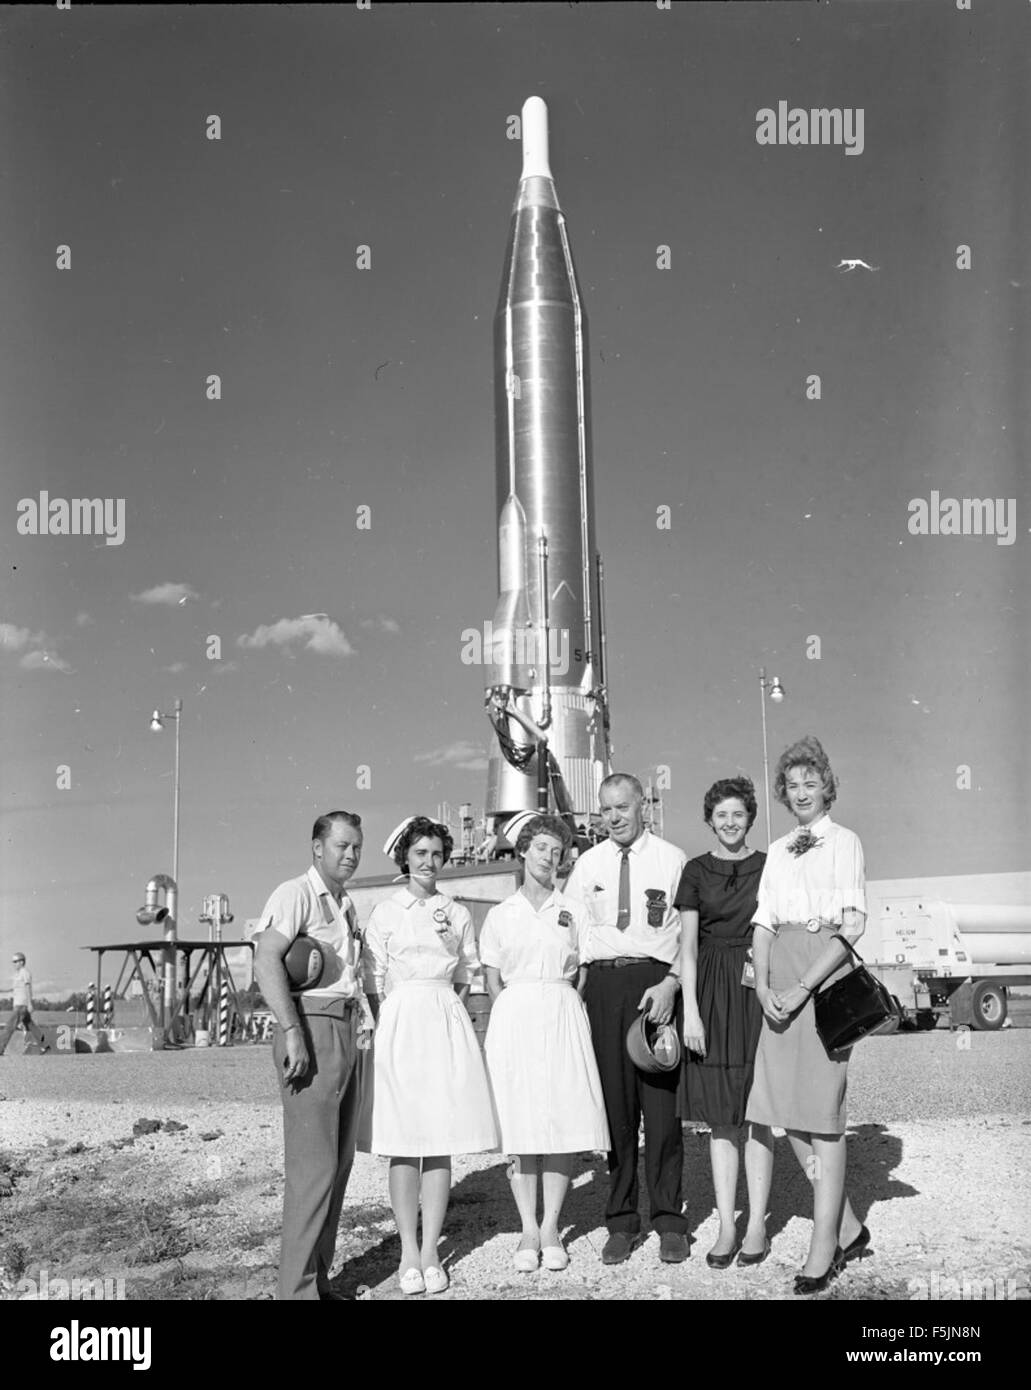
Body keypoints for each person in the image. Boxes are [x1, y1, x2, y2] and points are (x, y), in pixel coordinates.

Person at [744, 735, 871, 1293]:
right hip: (776, 976)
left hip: (822, 975)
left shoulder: (845, 842)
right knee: (780, 1105)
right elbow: (764, 921)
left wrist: (800, 986)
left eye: (809, 783)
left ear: (827, 788)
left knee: (822, 1110)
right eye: (791, 785)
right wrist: (764, 987)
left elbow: (851, 927)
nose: (800, 792)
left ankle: (827, 1245)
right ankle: (845, 1223)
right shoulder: (776, 849)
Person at [359, 815, 497, 1296]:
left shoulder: (455, 912)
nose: (429, 862)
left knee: (439, 1136)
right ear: (405, 857)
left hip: (443, 1015)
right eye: (420, 853)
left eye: (437, 854)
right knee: (404, 1138)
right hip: (399, 1020)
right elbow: (373, 976)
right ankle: (407, 1251)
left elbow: (467, 971)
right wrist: (388, 1019)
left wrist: (446, 1007)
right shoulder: (385, 911)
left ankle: (433, 1248)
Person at [563, 773, 689, 1264]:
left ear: (643, 807)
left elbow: (688, 936)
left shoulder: (671, 859)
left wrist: (672, 984)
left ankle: (669, 1221)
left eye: (623, 807)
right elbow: (570, 930)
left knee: (661, 1111)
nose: (614, 818)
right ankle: (620, 1221)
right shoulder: (588, 864)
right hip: (605, 987)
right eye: (606, 810)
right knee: (615, 1111)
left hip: (655, 984)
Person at [480, 812, 610, 1274]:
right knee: (521, 1122)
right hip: (515, 1017)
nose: (549, 859)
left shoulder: (571, 911)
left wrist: (562, 1004)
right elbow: (493, 978)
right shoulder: (500, 915)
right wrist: (518, 1009)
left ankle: (552, 1226)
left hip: (561, 1014)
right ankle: (527, 1228)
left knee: (561, 1120)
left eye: (557, 853)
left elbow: (583, 968)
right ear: (522, 852)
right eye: (541, 849)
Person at [253, 811, 374, 1301]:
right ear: (316, 848)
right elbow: (265, 960)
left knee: (339, 1164)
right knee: (312, 1168)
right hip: (310, 1026)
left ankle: (319, 1281)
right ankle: (295, 1293)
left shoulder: (345, 903)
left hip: (345, 1026)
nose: (350, 854)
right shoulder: (294, 893)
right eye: (342, 845)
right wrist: (292, 1031)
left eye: (357, 847)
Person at [677, 777, 770, 1268]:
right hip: (711, 989)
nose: (730, 822)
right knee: (720, 1117)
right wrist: (690, 1009)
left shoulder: (769, 866)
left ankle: (757, 1224)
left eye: (738, 814)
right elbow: (687, 947)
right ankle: (727, 1224)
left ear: (749, 818)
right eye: (721, 815)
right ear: (709, 819)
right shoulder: (694, 871)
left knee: (757, 1111)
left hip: (756, 987)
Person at [0, 953, 50, 1056]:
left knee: (9, 1027)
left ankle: (0, 1049)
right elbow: (13, 988)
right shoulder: (17, 975)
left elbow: (28, 988)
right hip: (18, 1005)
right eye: (13, 962)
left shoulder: (25, 973)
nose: (14, 964)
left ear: (22, 962)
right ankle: (45, 1046)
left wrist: (30, 1003)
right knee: (31, 1026)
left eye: (15, 961)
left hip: (22, 1005)